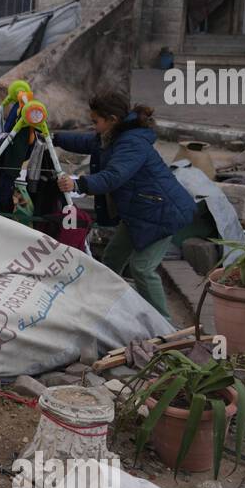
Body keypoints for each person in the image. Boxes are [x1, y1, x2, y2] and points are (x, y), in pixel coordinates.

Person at [54, 92, 196, 320]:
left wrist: (78, 183)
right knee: (111, 259)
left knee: (142, 267)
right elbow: (87, 141)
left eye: (95, 122)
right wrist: (54, 138)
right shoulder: (114, 135)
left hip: (162, 213)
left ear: (111, 119)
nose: (94, 127)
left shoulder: (131, 143)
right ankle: (107, 307)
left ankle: (164, 324)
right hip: (139, 212)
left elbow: (114, 176)